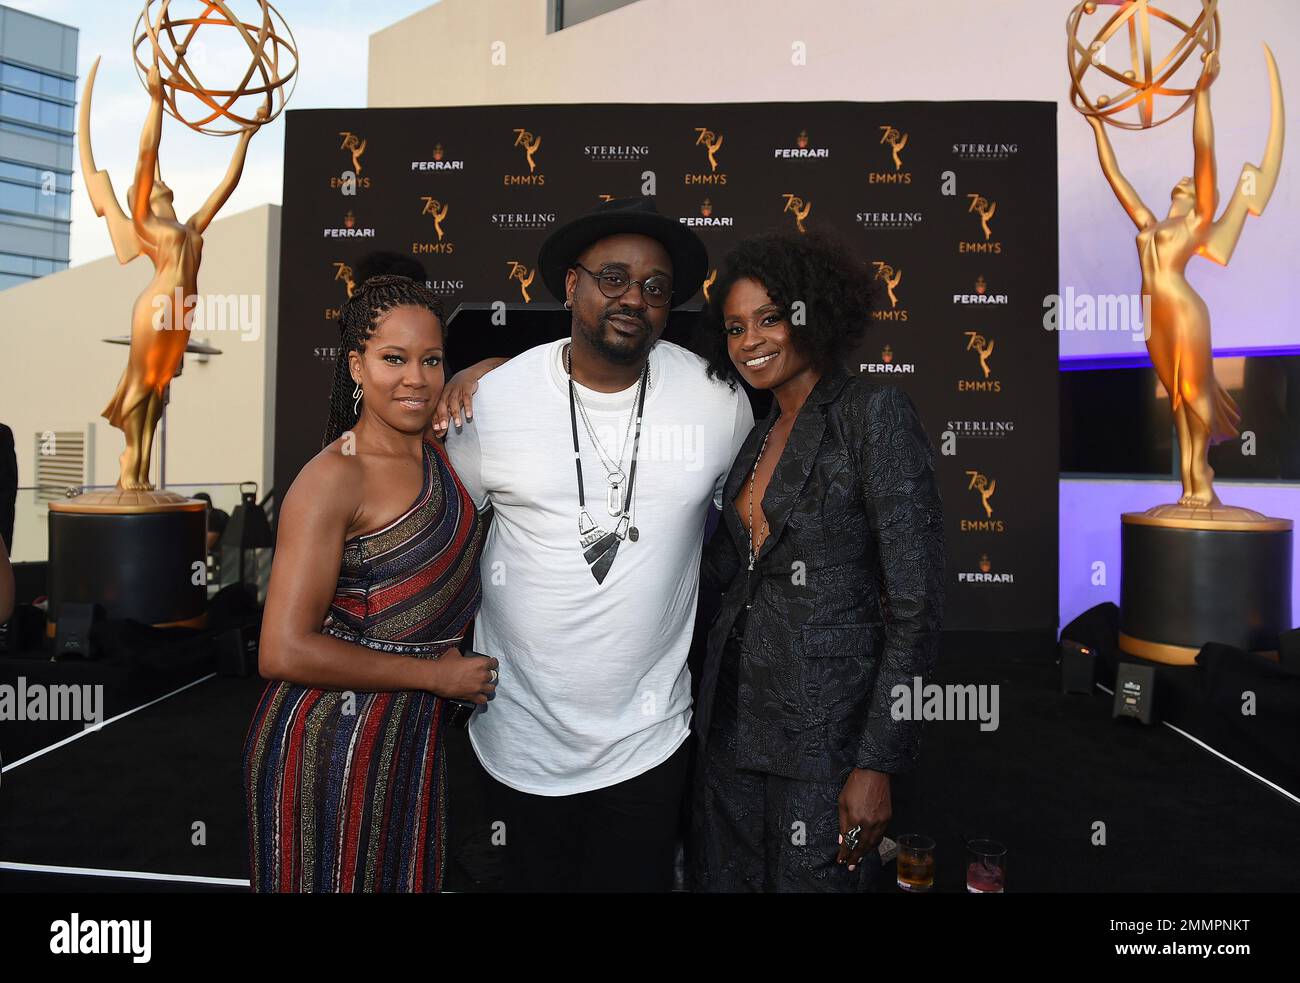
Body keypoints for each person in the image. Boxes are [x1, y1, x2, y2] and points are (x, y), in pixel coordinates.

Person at [439, 196, 754, 892]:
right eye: (613, 276)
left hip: (649, 738)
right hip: (517, 735)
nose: (633, 297)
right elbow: (445, 538)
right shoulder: (494, 401)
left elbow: (751, 530)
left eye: (655, 287)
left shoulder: (716, 399)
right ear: (571, 285)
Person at [687, 229, 946, 892]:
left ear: (813, 312)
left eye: (770, 319)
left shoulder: (873, 414)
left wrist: (876, 763)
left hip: (825, 737)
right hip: (729, 727)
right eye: (735, 326)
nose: (750, 341)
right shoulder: (755, 435)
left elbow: (916, 607)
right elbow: (720, 573)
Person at [243, 275, 497, 892]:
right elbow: (282, 650)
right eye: (393, 359)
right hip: (326, 745)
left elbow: (513, 367)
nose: (415, 377)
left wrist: (475, 371)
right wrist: (435, 675)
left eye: (431, 360)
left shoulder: (440, 447)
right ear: (356, 365)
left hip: (411, 742)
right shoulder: (335, 476)